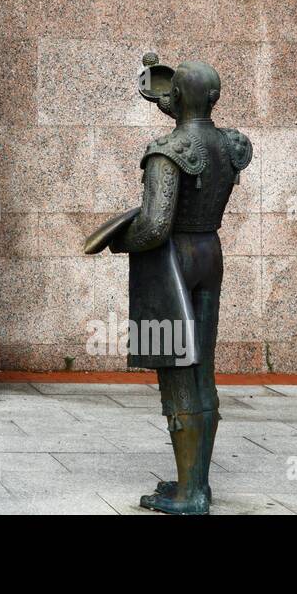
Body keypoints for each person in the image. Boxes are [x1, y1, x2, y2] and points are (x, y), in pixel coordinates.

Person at [87, 56, 252, 515]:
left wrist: (120, 240)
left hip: (172, 259)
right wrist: (177, 102)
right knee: (202, 370)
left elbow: (156, 225)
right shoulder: (231, 145)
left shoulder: (167, 150)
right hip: (209, 253)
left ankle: (190, 493)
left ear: (177, 96)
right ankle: (196, 479)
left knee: (177, 370)